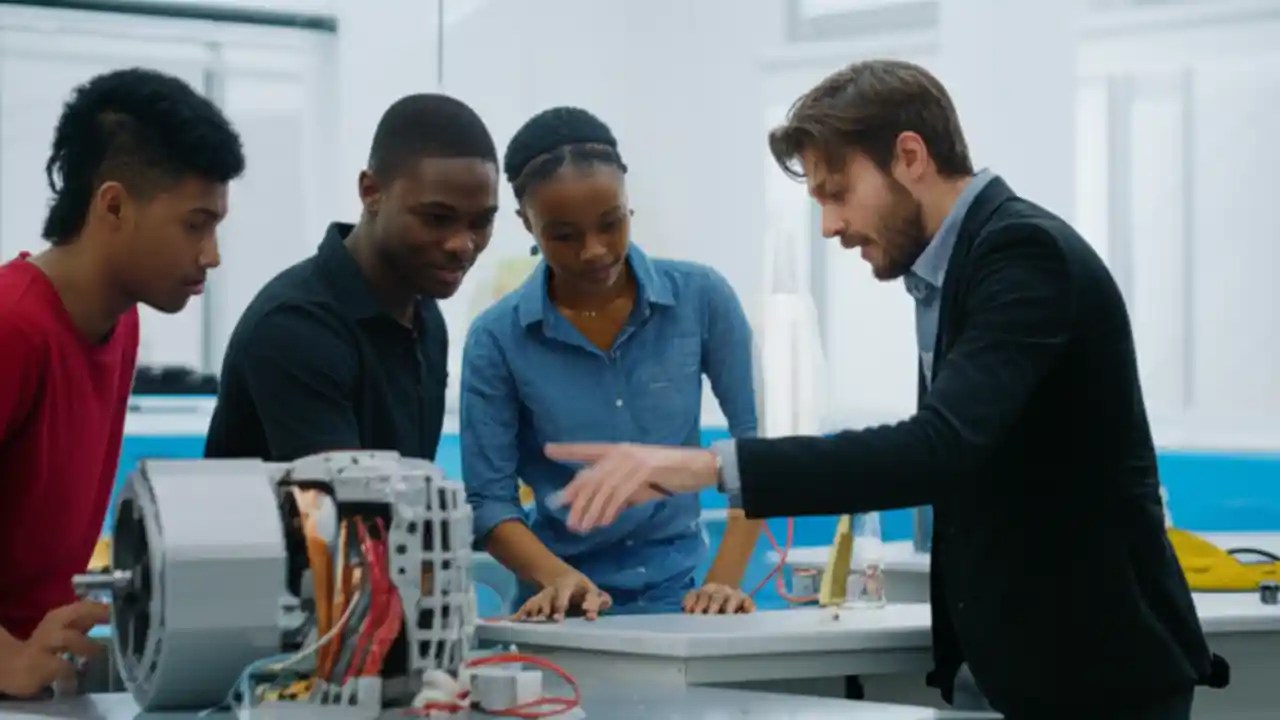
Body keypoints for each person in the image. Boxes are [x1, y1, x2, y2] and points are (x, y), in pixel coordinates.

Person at [541, 60, 1229, 719]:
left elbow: (938, 447)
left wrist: (700, 467)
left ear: (909, 156)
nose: (830, 226)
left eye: (837, 194)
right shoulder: (954, 266)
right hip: (1017, 668)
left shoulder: (1023, 256)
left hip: (1095, 676)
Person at [461, 107, 761, 620]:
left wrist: (721, 586)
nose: (594, 250)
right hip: (561, 613)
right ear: (526, 223)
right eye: (564, 235)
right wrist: (560, 580)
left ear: (628, 202)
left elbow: (757, 454)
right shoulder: (496, 339)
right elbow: (490, 503)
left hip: (684, 606)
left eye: (611, 222)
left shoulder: (702, 298)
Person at [0, 68, 243, 697]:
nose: (211, 254)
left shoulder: (123, 323)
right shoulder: (12, 325)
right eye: (195, 225)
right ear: (112, 205)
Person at [205, 94, 499, 463]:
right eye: (437, 218)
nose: (462, 244)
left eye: (482, 221)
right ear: (371, 192)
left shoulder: (424, 314)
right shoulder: (295, 326)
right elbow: (348, 514)